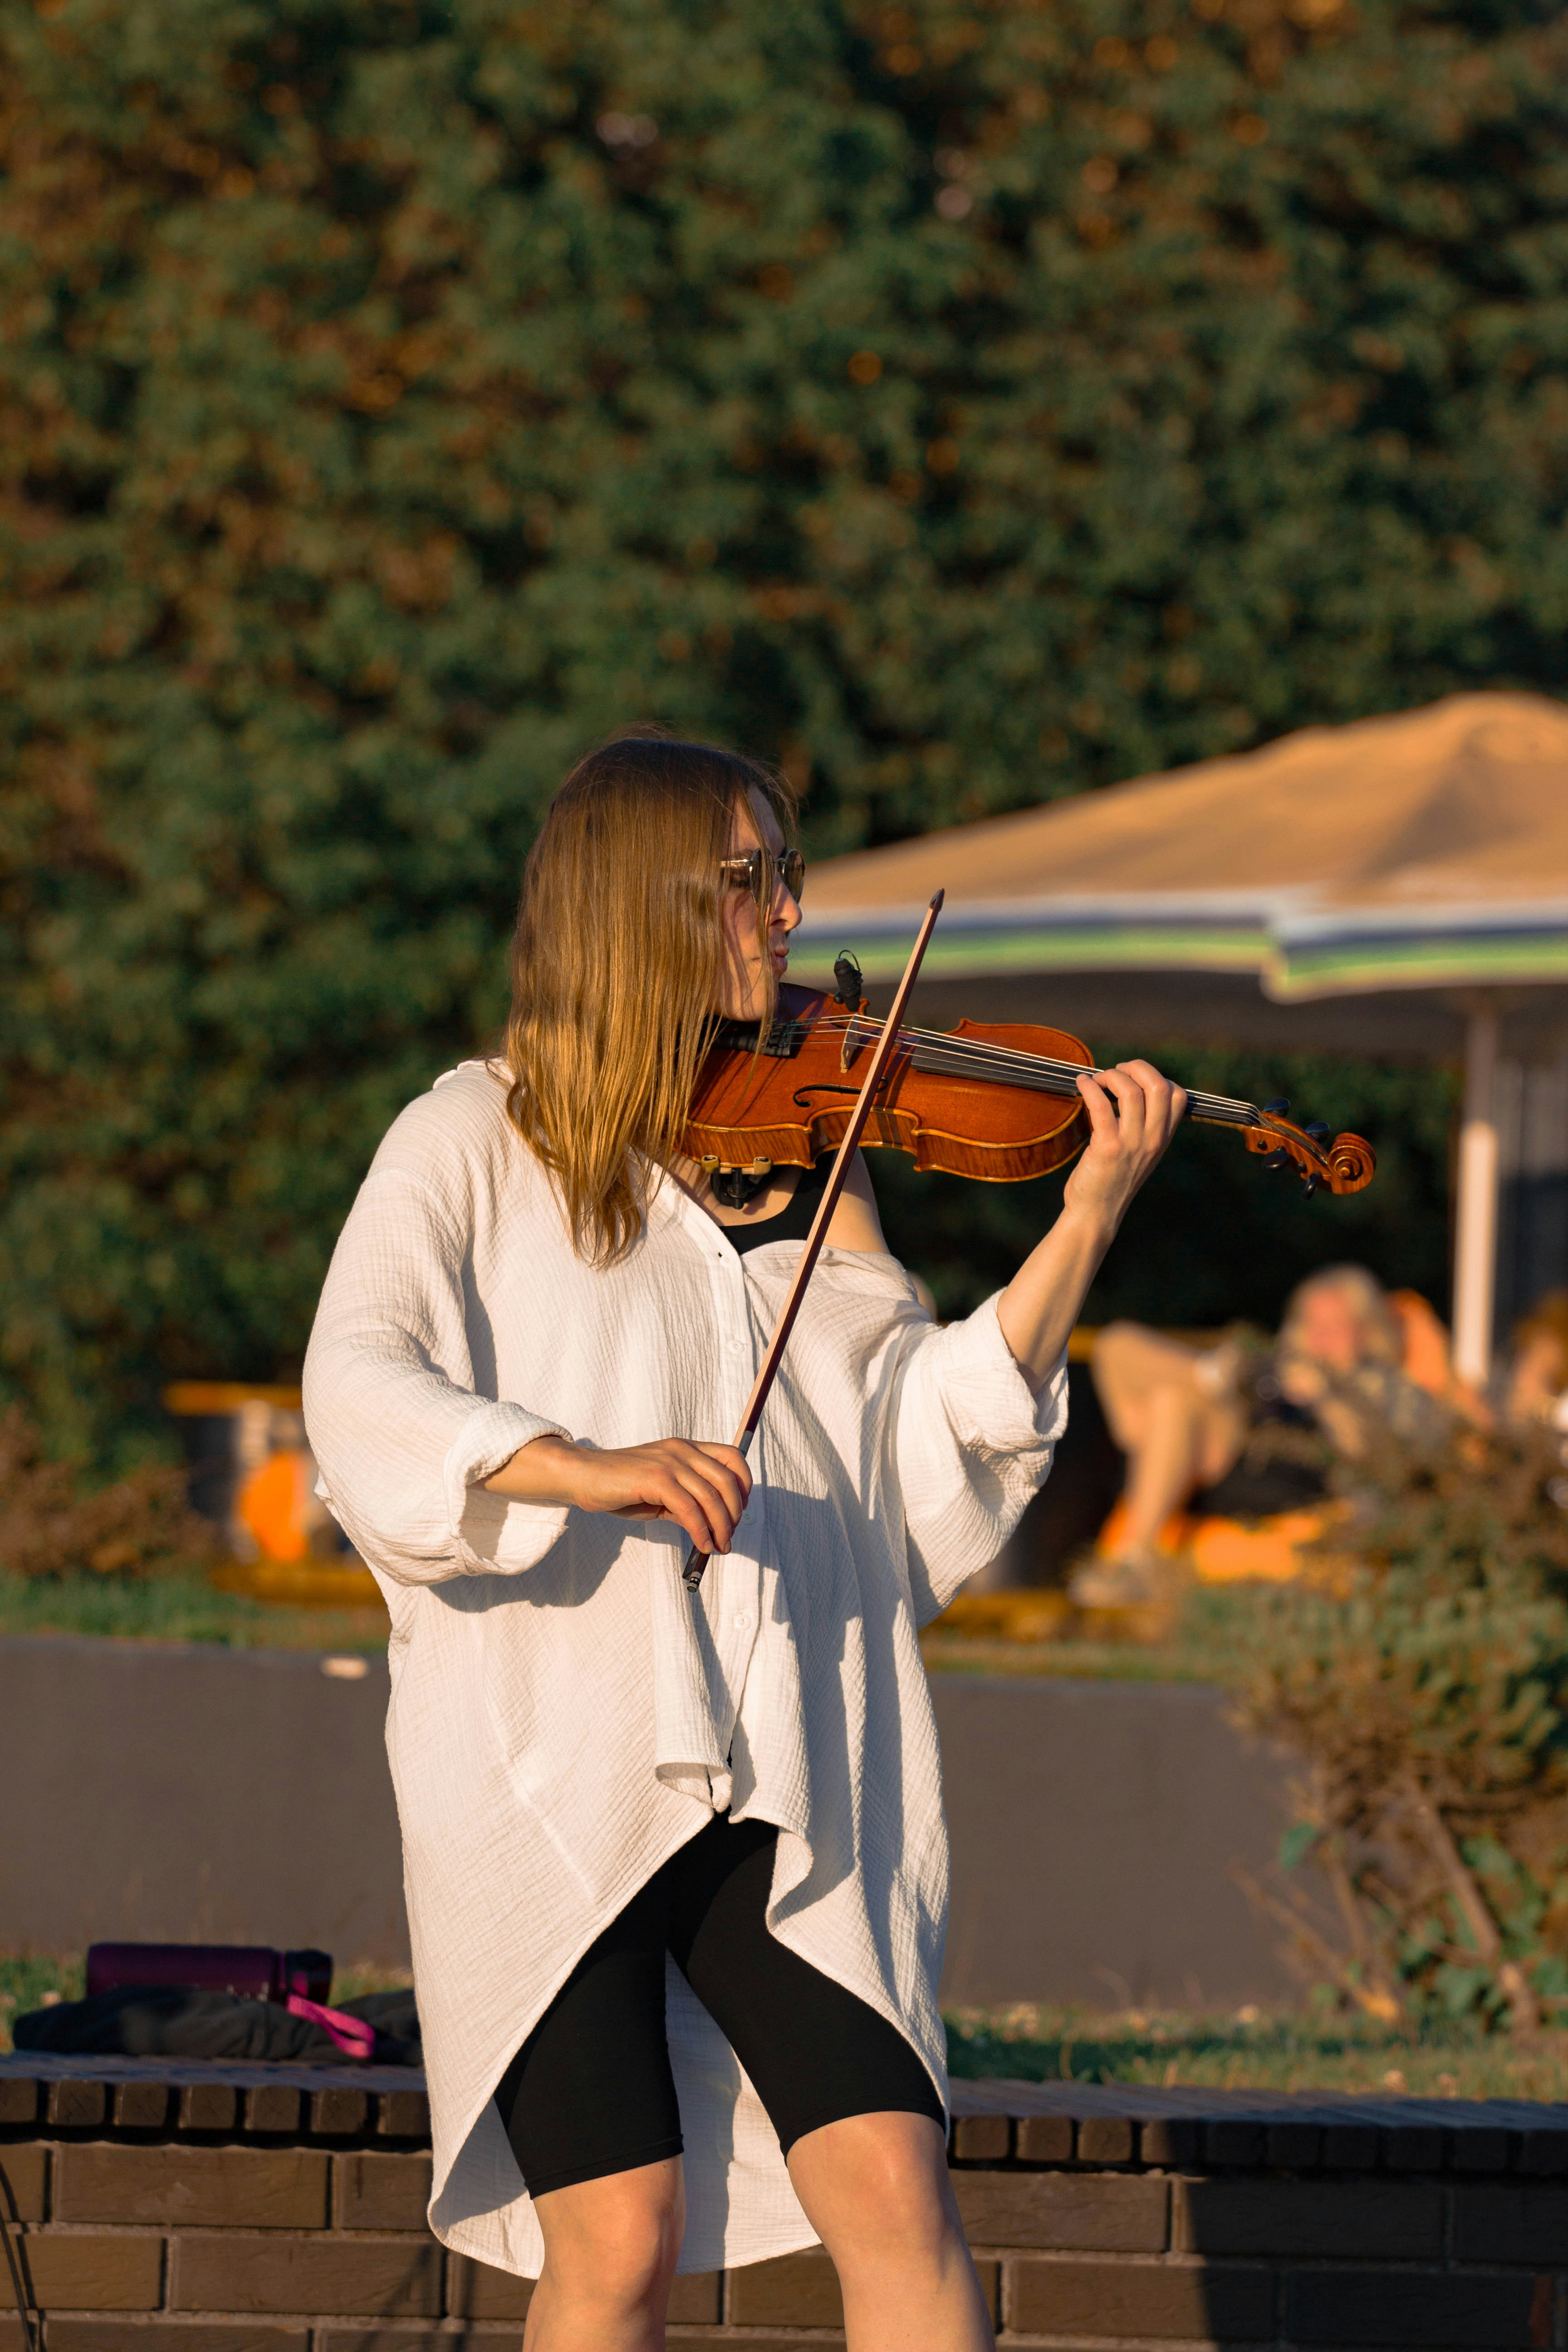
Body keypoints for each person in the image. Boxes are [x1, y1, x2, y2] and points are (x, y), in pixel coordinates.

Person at [303, 731, 1185, 2352]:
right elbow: (358, 1380)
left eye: (787, 876)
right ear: (637, 901)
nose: (786, 915)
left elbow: (918, 1436)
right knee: (621, 2244)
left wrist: (1086, 1222)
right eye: (746, 879)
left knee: (897, 2194)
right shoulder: (474, 1143)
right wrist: (586, 1464)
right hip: (556, 1765)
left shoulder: (820, 1171)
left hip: (780, 1764)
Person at [1073, 1264, 1460, 1609]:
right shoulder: (1279, 1365)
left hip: (1296, 1475)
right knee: (1118, 1346)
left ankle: (1136, 1558)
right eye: (1314, 1327)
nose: (1322, 1338)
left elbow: (1379, 1461)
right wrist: (1261, 1379)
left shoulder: (1393, 1389)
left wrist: (1326, 1395)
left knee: (1173, 1405)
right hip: (1236, 1437)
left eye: (1336, 1326)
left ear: (1368, 1330)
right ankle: (1214, 1374)